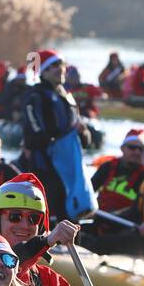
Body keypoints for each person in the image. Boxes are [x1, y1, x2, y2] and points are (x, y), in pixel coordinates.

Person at [21, 48, 93, 224]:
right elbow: (35, 134)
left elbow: (85, 140)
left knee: (75, 210)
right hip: (46, 165)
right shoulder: (36, 96)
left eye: (61, 64)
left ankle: (73, 245)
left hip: (69, 164)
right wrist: (60, 138)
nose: (60, 68)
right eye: (53, 66)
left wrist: (84, 133)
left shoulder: (66, 95)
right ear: (43, 71)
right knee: (57, 208)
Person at [91, 128, 144, 212]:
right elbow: (89, 192)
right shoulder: (107, 167)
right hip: (100, 216)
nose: (137, 152)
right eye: (132, 148)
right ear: (122, 148)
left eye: (141, 149)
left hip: (126, 222)